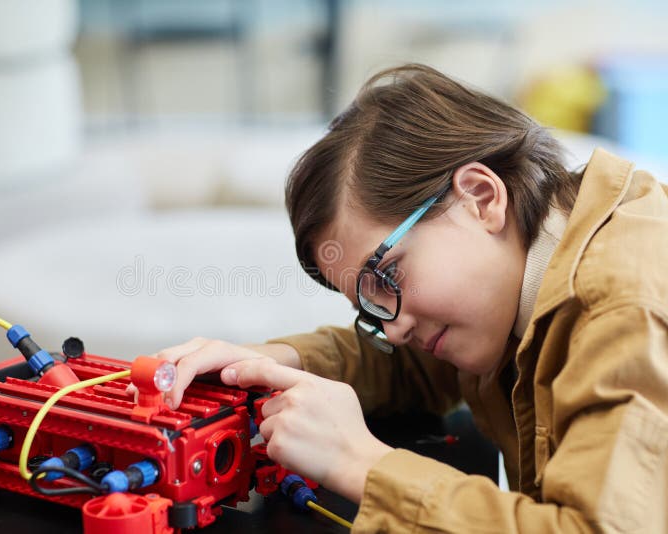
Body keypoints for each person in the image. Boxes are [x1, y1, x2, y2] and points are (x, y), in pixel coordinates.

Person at [148, 64, 668, 532]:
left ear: (480, 198)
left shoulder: (623, 305)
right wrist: (268, 363)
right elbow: (409, 368)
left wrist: (361, 463)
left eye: (388, 274)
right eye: (370, 304)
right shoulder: (525, 271)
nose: (393, 329)